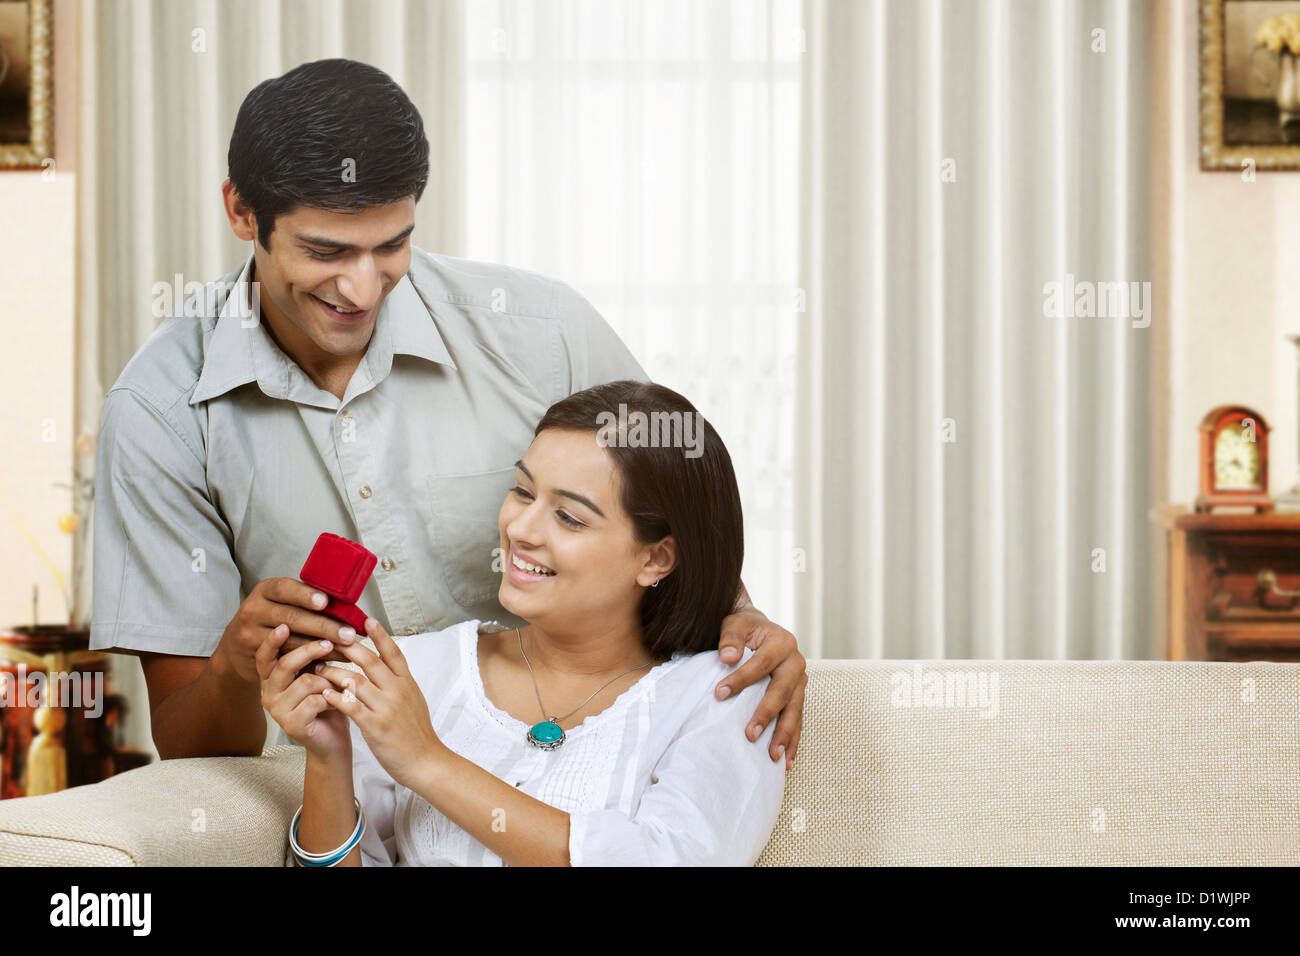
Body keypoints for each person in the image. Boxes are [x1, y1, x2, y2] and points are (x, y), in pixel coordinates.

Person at [90, 57, 806, 770]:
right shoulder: (160, 413)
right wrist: (235, 666)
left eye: (391, 245)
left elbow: (675, 499)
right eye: (325, 251)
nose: (362, 288)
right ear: (243, 212)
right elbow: (191, 745)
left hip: (577, 765)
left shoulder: (542, 331)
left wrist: (737, 611)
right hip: (348, 800)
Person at [261, 381, 785, 866]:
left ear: (656, 559)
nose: (520, 528)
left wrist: (427, 761)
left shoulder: (723, 694)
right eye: (523, 492)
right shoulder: (415, 670)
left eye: (570, 517)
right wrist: (328, 757)